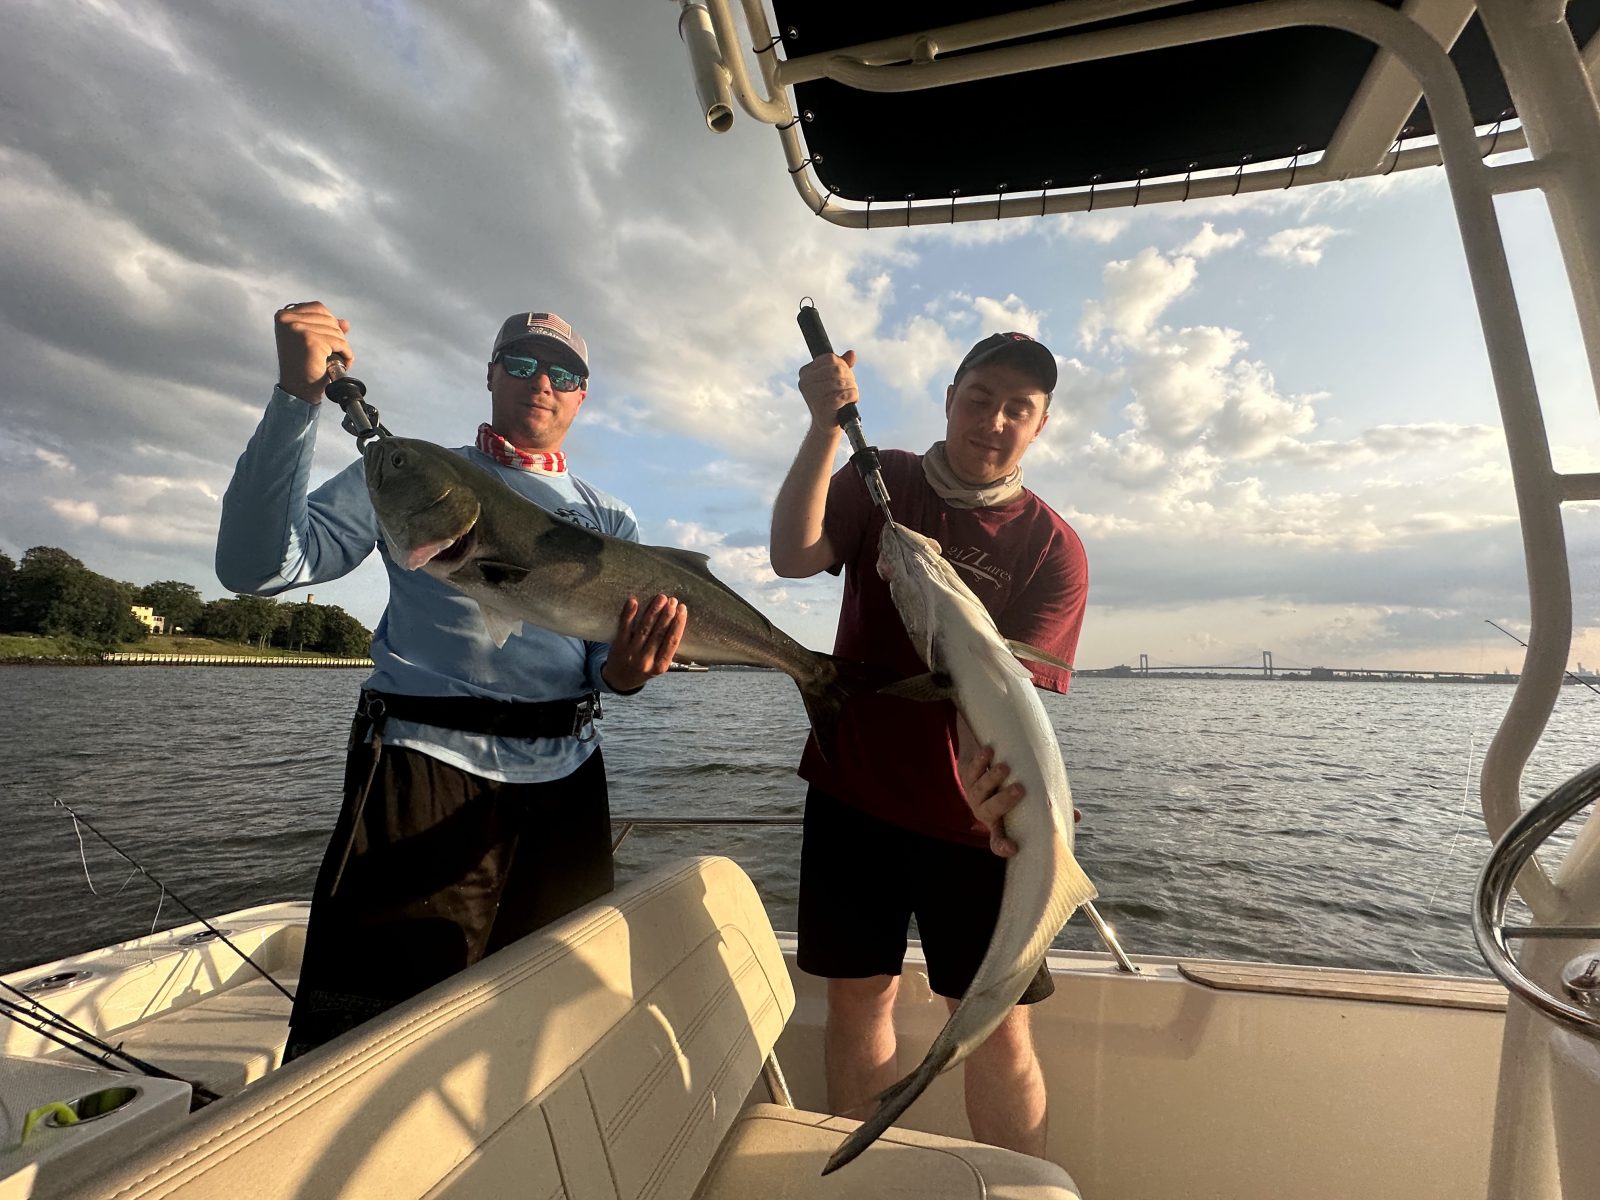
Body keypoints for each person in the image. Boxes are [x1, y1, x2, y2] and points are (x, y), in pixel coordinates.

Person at [217, 303, 687, 1060]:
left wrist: (627, 673)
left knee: (553, 1020)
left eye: (562, 372)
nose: (542, 382)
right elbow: (256, 566)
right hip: (423, 765)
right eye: (522, 364)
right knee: (373, 1032)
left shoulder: (610, 518)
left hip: (568, 780)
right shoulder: (410, 474)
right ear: (492, 375)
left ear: (581, 395)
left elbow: (601, 669)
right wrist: (297, 401)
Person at [769, 330, 1087, 1157]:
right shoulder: (888, 477)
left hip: (975, 824)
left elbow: (1009, 703)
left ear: (1041, 424)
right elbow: (793, 556)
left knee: (996, 1027)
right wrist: (823, 429)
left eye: (1018, 408)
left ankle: (1015, 1187)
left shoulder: (1052, 548)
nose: (994, 421)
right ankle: (863, 1180)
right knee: (857, 1002)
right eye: (979, 399)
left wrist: (1007, 806)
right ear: (949, 400)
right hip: (852, 791)